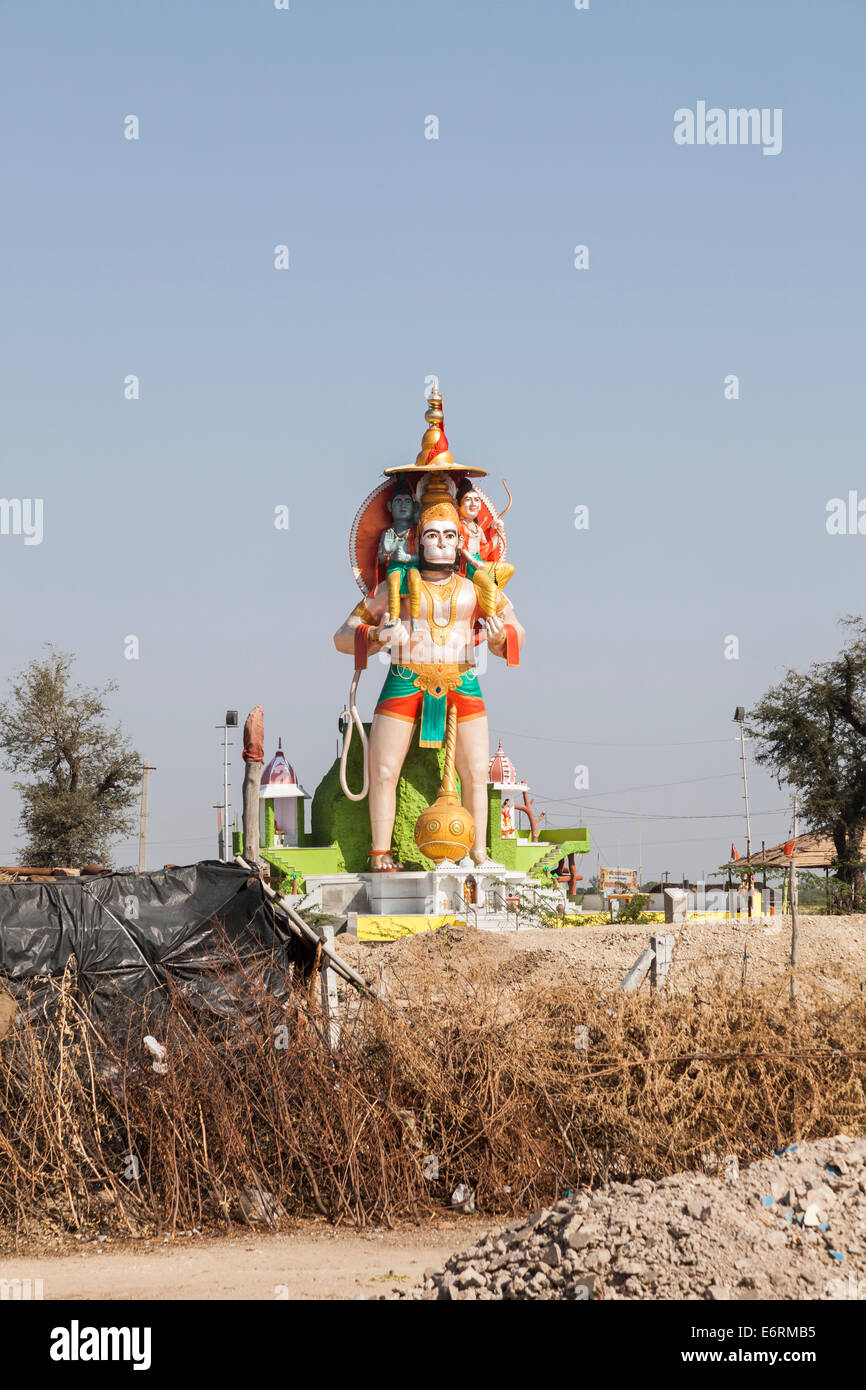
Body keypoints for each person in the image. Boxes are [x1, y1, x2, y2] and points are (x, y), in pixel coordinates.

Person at [334, 476, 525, 870]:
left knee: (475, 771)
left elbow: (517, 630)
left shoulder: (478, 587)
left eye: (450, 535)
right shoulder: (396, 584)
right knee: (384, 769)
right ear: (417, 539)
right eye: (433, 534)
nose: (441, 542)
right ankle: (380, 853)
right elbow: (343, 635)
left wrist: (497, 638)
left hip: (462, 678)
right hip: (405, 676)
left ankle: (478, 853)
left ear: (461, 541)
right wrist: (378, 634)